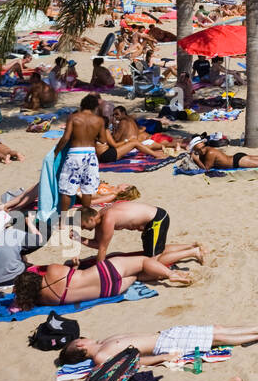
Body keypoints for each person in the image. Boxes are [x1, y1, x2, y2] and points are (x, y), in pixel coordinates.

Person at [56, 312, 258, 366]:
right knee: (217, 337)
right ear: (80, 347)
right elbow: (134, 362)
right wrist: (164, 356)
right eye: (78, 341)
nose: (81, 338)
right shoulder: (102, 356)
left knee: (216, 329)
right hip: (164, 344)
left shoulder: (102, 344)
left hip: (165, 334)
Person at [10, 254, 191, 310]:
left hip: (112, 290)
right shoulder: (52, 270)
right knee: (143, 261)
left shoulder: (45, 300)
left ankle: (162, 272)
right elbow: (71, 269)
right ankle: (170, 274)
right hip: (104, 272)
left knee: (138, 274)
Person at [73, 200, 205, 268]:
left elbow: (102, 249)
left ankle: (194, 252)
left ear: (90, 219)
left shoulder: (107, 219)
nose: (84, 229)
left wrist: (99, 274)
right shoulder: (100, 217)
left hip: (156, 220)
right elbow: (98, 244)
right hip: (152, 222)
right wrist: (79, 238)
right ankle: (191, 246)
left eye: (83, 226)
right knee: (156, 251)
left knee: (153, 261)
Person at [54, 94, 108, 212]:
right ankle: (84, 218)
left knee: (67, 189)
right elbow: (103, 140)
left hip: (75, 154)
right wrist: (92, 136)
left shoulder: (74, 117)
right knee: (87, 190)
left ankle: (62, 221)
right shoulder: (99, 120)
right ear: (95, 107)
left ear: (82, 105)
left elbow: (65, 138)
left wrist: (55, 152)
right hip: (91, 155)